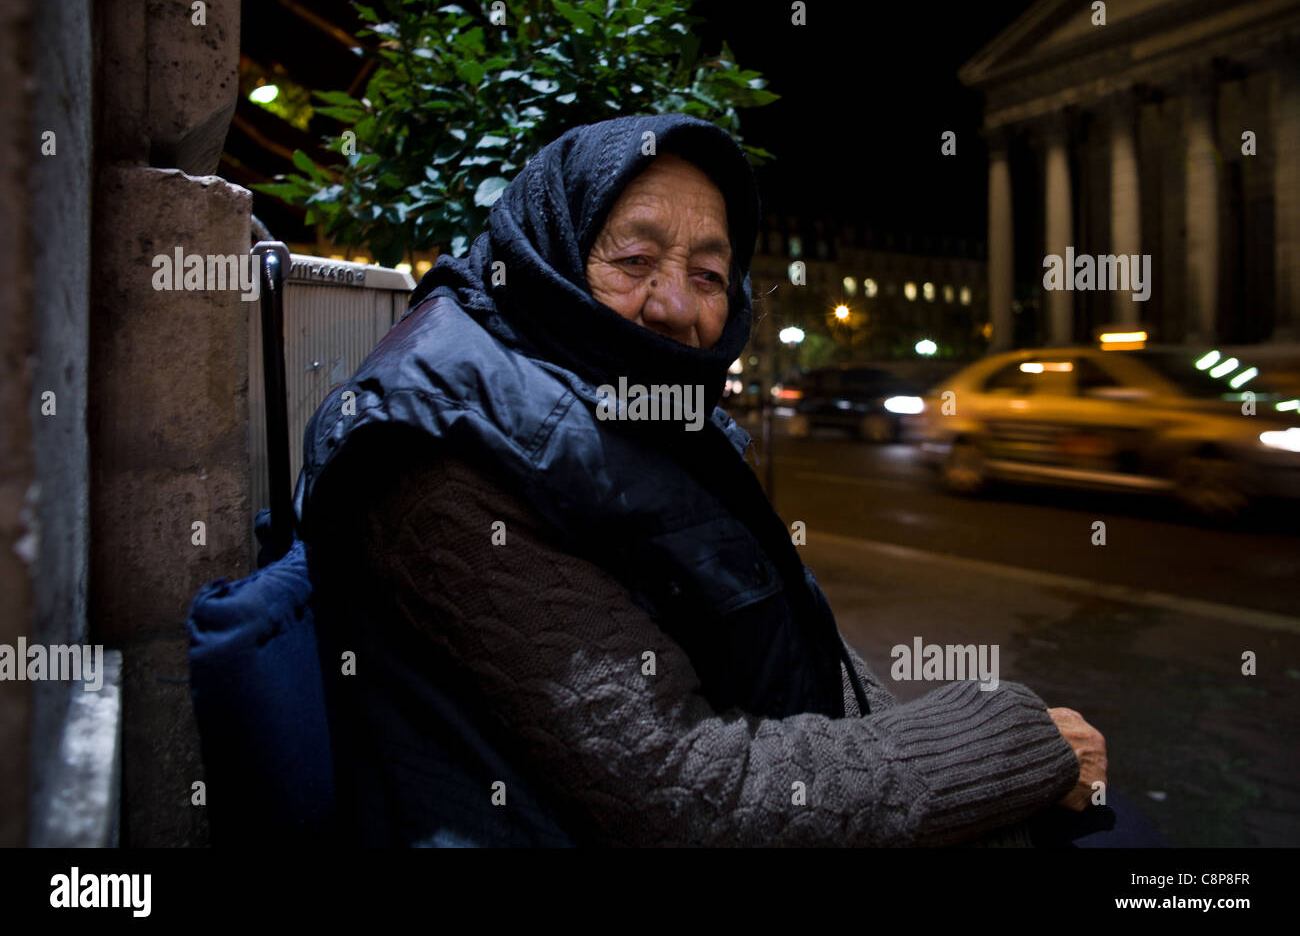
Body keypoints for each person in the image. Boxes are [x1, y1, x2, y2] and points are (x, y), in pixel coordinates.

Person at [295, 113, 1116, 847]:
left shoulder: (628, 412)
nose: (674, 306)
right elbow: (691, 794)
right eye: (635, 258)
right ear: (547, 244)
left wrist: (946, 752)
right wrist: (1006, 738)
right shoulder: (441, 450)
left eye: (710, 275)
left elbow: (797, 647)